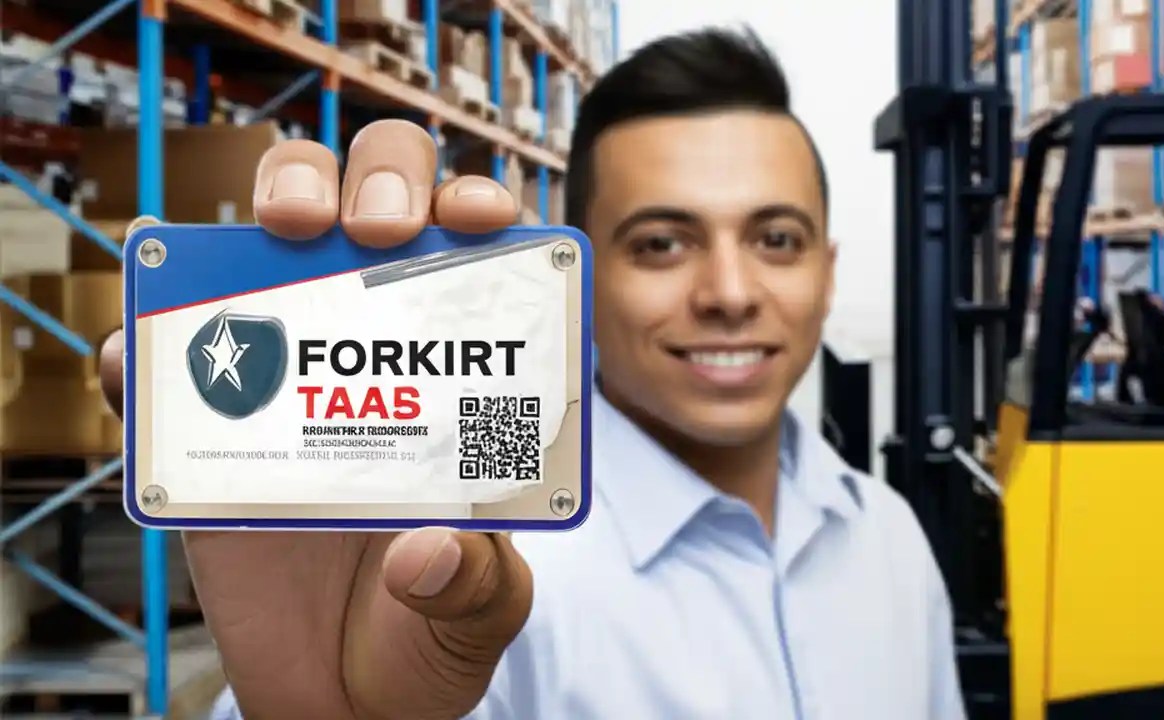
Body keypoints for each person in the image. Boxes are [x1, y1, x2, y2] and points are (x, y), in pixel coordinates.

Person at [98, 27, 966, 720]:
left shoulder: (887, 540)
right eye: (661, 244)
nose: (731, 294)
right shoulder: (461, 563)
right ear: (575, 277)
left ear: (827, 268)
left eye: (776, 239)